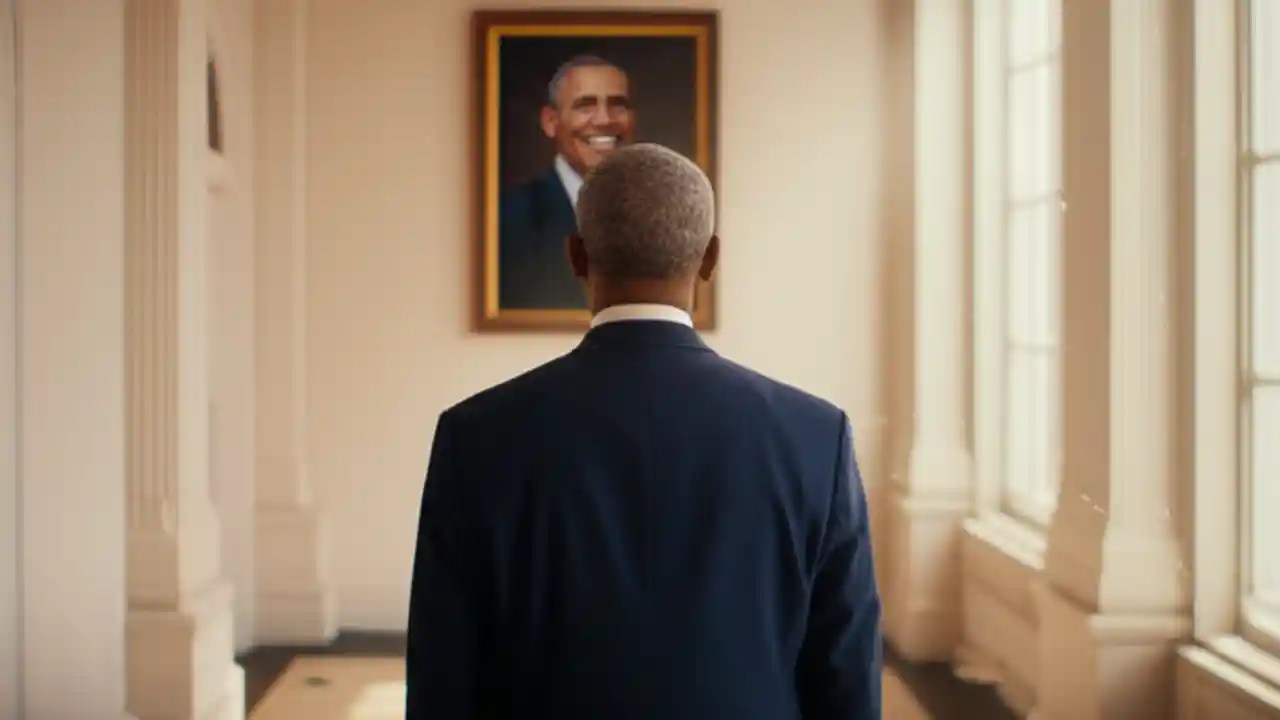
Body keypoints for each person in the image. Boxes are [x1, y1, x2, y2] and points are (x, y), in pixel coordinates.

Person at [406, 143, 882, 719]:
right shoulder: (815, 437)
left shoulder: (475, 437)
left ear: (576, 257)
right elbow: (845, 679)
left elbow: (443, 682)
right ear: (710, 259)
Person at [497, 55, 635, 310]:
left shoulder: (654, 214)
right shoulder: (507, 221)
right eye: (585, 106)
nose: (604, 120)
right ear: (550, 121)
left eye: (618, 105)